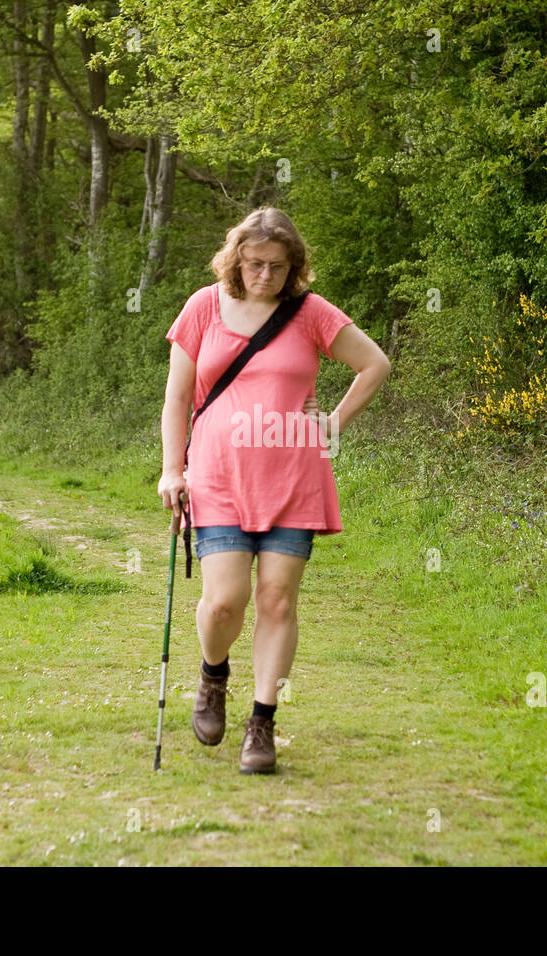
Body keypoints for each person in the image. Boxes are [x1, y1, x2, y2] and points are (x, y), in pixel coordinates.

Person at [157, 206, 391, 774]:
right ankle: (214, 676)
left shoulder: (309, 313)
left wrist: (332, 423)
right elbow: (177, 398)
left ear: (294, 267)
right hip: (216, 473)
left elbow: (375, 364)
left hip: (294, 475)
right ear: (236, 259)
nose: (265, 276)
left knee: (278, 599)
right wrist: (171, 469)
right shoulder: (203, 307)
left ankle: (262, 722)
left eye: (278, 267)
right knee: (223, 601)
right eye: (256, 264)